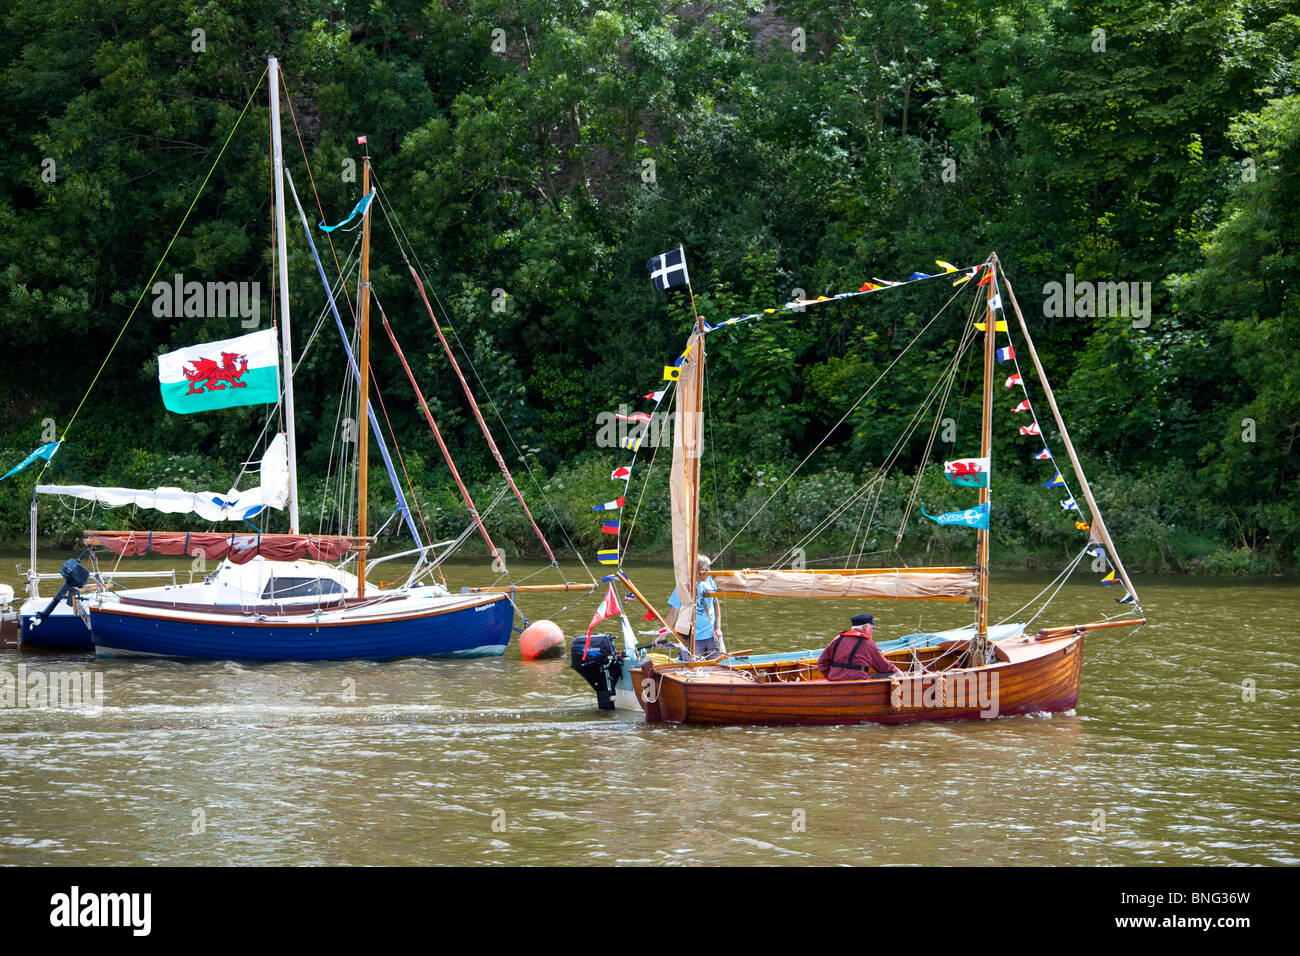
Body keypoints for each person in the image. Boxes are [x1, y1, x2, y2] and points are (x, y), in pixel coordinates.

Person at [664, 555, 723, 659]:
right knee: (691, 670)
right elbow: (673, 613)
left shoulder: (710, 582)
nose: (709, 572)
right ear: (698, 570)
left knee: (721, 665)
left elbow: (715, 604)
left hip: (713, 636)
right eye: (706, 569)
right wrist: (662, 634)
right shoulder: (683, 588)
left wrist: (717, 628)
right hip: (693, 638)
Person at [817, 613, 902, 681]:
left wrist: (832, 676)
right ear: (865, 628)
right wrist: (897, 672)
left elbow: (822, 662)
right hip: (859, 682)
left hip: (834, 680)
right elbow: (883, 666)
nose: (874, 631)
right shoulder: (868, 644)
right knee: (895, 675)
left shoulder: (837, 639)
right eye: (872, 628)